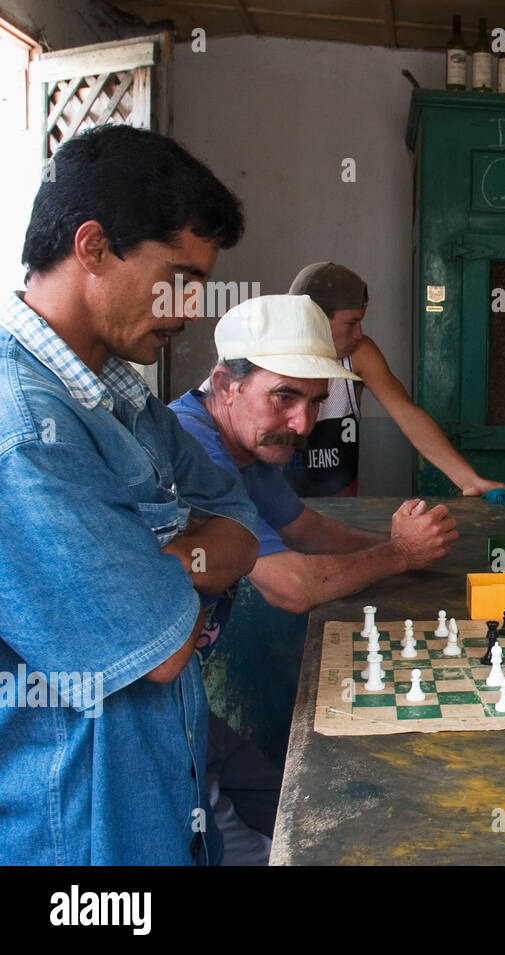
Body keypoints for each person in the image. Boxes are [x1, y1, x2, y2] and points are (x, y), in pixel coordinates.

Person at [0, 125, 259, 864]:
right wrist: (195, 561)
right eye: (176, 277)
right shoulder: (24, 434)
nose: (187, 310)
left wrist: (164, 559)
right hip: (76, 842)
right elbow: (163, 647)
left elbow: (238, 521)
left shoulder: (126, 398)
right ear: (91, 247)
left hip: (159, 809)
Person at [169, 294, 459, 862]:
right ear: (225, 383)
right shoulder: (192, 445)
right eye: (284, 397)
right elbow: (292, 588)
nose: (301, 423)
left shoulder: (249, 444)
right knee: (272, 854)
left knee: (300, 811)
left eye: (314, 401)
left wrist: (403, 547)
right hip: (143, 716)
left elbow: (305, 528)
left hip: (189, 704)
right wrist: (398, 555)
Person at [281, 262, 505, 497]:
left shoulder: (358, 352)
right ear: (314, 317)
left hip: (337, 505)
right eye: (351, 323)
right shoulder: (266, 356)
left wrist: (470, 481)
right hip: (274, 506)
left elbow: (407, 414)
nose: (359, 333)